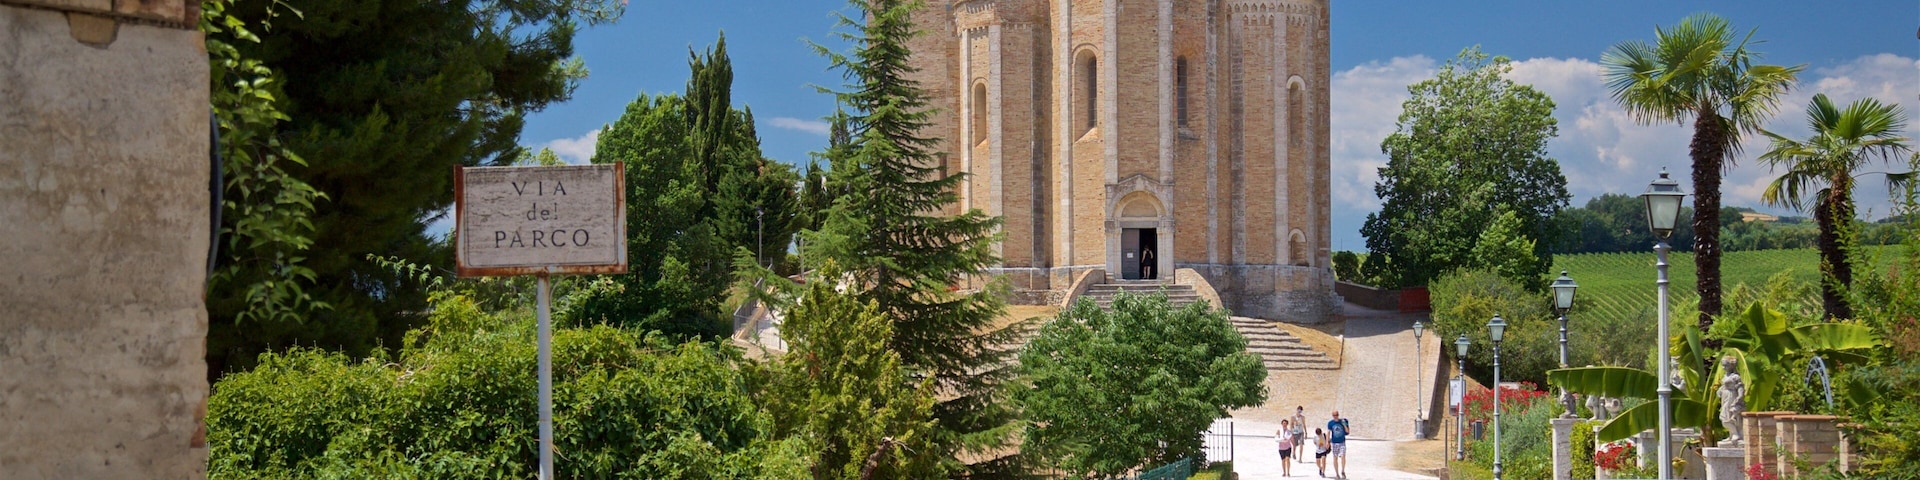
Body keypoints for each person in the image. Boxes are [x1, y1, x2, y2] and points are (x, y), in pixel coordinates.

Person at [1327, 410, 1352, 478]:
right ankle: (1337, 474)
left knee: (1343, 456)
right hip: (1334, 442)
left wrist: (1344, 425)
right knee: (1335, 458)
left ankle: (1343, 471)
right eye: (1334, 415)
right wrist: (1327, 442)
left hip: (1342, 442)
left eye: (1336, 415)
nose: (1335, 417)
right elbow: (1328, 432)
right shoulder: (1330, 423)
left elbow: (1347, 431)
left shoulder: (1343, 422)